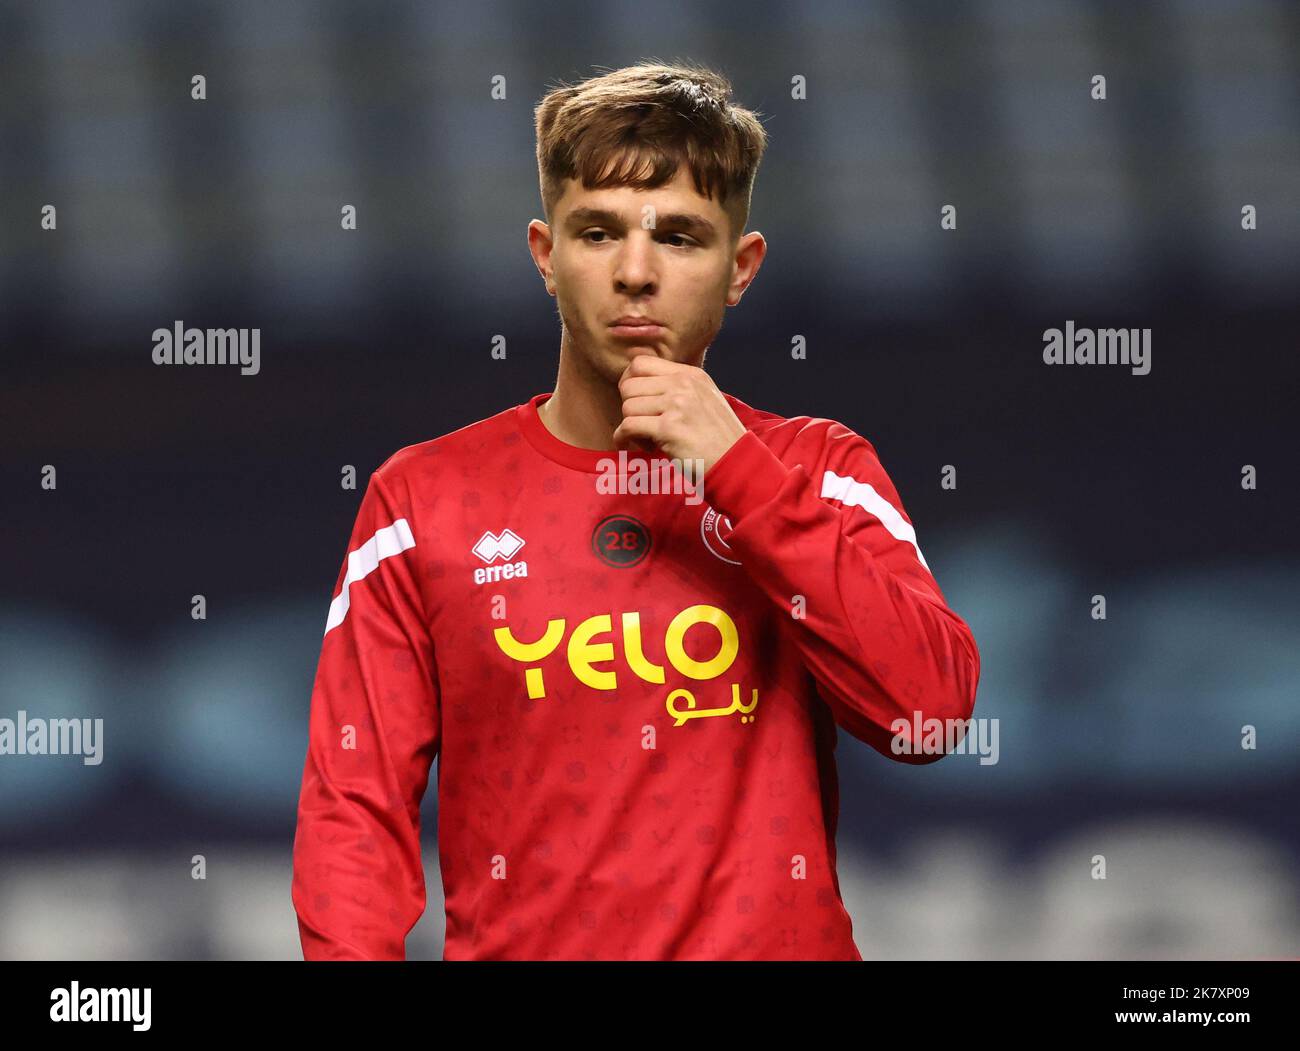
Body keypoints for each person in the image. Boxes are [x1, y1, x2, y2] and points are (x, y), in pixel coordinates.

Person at [291, 60, 980, 961]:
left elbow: (930, 712)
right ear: (546, 256)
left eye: (681, 237)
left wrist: (738, 471)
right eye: (598, 232)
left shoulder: (819, 470)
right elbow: (353, 807)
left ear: (740, 268)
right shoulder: (422, 500)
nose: (636, 273)